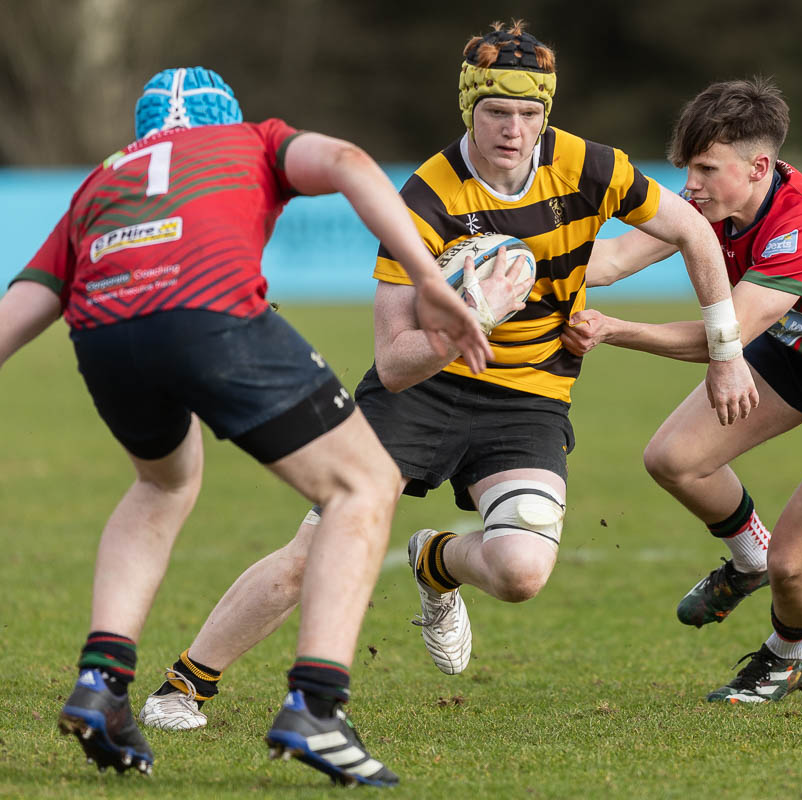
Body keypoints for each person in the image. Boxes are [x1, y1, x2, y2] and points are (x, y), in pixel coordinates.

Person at [137, 21, 757, 731]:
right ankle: (184, 685)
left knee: (522, 572)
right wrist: (468, 317)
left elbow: (693, 233)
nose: (514, 131)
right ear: (470, 108)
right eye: (497, 112)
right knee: (317, 550)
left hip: (530, 397)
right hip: (422, 395)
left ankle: (436, 564)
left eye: (529, 115)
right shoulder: (424, 199)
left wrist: (726, 349)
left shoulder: (589, 165)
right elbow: (394, 363)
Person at [0, 66, 494, 786]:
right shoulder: (251, 140)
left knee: (161, 486)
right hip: (209, 314)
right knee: (364, 485)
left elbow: (24, 304)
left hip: (104, 331)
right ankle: (317, 705)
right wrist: (426, 278)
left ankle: (102, 684)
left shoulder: (102, 182)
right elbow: (352, 164)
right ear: (225, 117)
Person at [561, 77, 802, 703]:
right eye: (686, 167)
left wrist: (614, 330)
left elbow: (727, 337)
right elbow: (606, 262)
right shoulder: (712, 205)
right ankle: (746, 559)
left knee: (792, 565)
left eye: (707, 169)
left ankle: (790, 654)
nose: (690, 185)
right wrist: (518, 255)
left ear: (758, 167)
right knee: (673, 459)